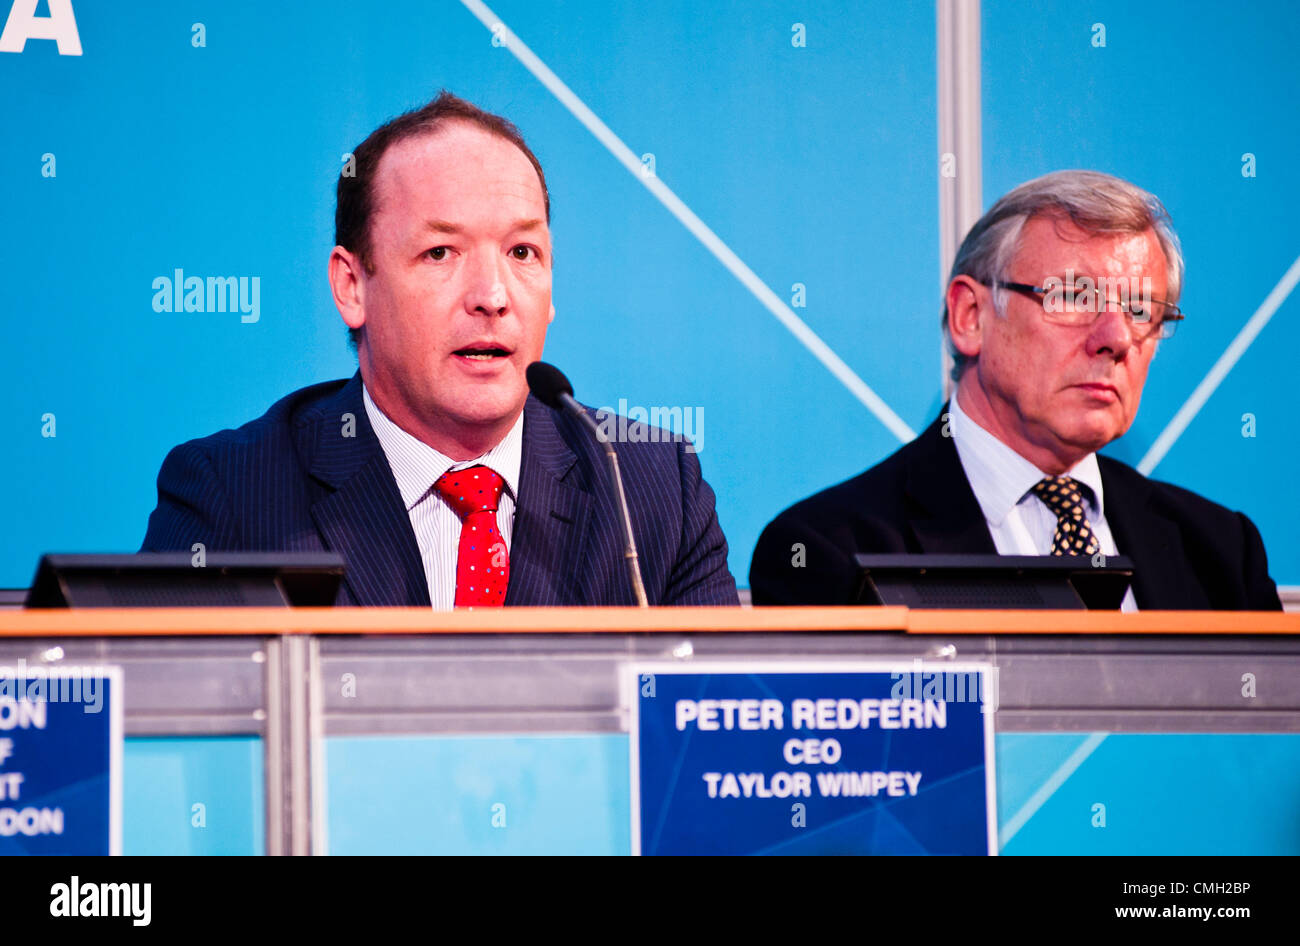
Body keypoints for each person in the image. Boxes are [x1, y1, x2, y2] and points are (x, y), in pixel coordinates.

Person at [142, 91, 738, 608]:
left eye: (522, 253)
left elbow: (711, 726)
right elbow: (172, 726)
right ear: (353, 287)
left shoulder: (649, 489)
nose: (492, 296)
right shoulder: (235, 494)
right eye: (441, 253)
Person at [750, 170, 1281, 610]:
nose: (1117, 338)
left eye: (1142, 310)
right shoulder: (828, 549)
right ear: (971, 316)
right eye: (1074, 296)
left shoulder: (1220, 552)